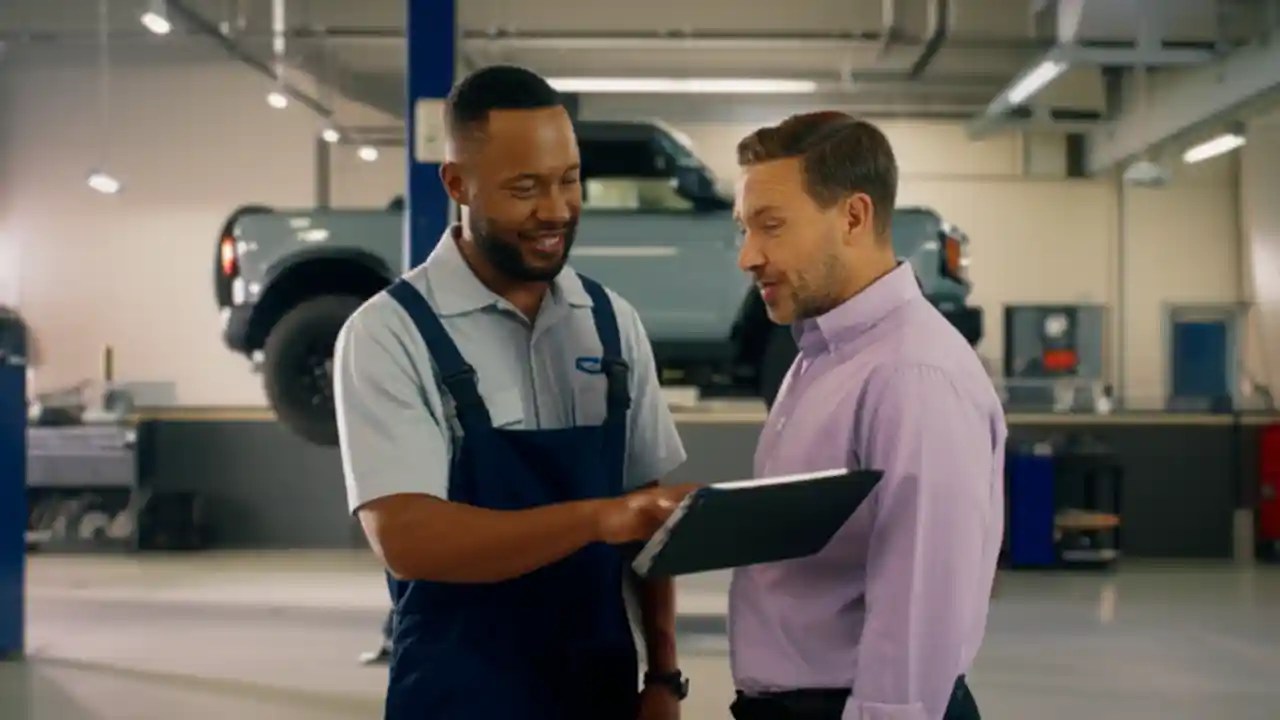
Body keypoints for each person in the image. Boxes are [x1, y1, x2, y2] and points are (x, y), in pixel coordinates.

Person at [334, 65, 694, 720]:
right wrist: (594, 518)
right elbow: (408, 539)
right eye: (524, 188)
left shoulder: (613, 323)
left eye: (568, 180)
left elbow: (650, 518)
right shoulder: (389, 333)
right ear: (456, 184)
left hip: (599, 693)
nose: (554, 210)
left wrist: (664, 674)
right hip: (456, 696)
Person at [726, 111, 1006, 720]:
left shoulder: (912, 375)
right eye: (744, 229)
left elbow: (921, 603)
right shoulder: (823, 354)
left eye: (771, 227)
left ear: (853, 216)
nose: (749, 256)